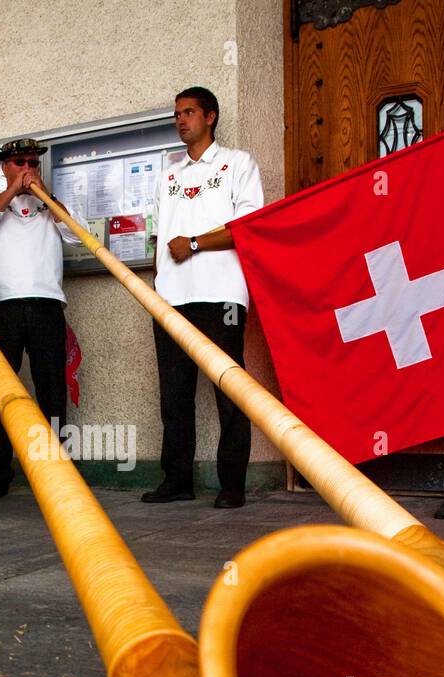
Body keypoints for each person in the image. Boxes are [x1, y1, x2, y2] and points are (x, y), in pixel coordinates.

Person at [145, 86, 263, 509]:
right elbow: (159, 239)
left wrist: (194, 243)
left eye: (189, 112)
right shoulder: (168, 174)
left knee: (230, 390)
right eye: (177, 114)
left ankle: (232, 485)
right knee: (174, 395)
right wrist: (157, 287)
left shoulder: (238, 163)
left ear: (210, 116)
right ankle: (177, 480)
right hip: (172, 299)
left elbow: (248, 228)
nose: (181, 120)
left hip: (222, 295)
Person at [0, 137, 81, 498]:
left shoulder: (51, 205)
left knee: (52, 393)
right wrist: (13, 190)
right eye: (18, 163)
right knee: (2, 392)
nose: (27, 169)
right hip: (3, 308)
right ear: (4, 167)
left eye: (32, 163)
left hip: (46, 306)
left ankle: (58, 475)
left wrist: (46, 197)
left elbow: (78, 237)